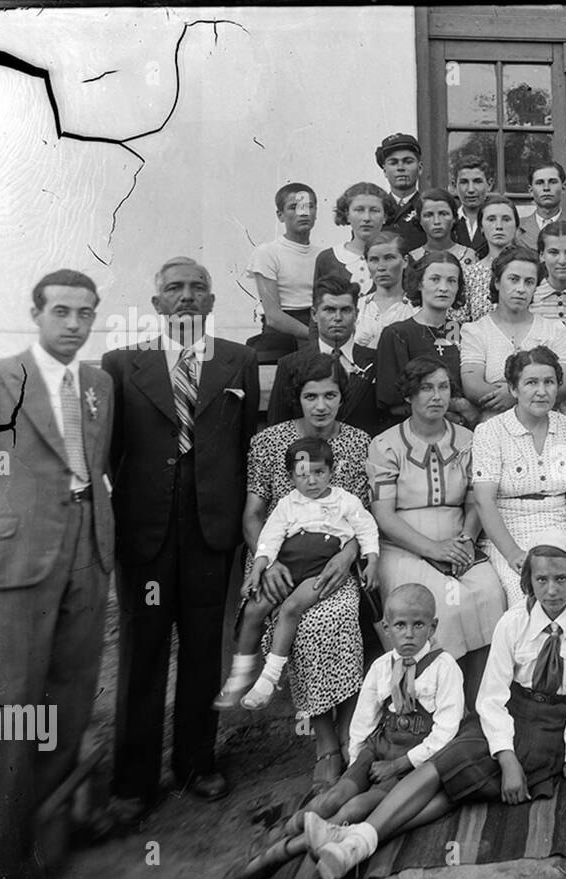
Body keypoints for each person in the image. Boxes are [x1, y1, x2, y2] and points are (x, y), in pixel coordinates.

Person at [306, 532, 566, 879]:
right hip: (506, 715)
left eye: (562, 580)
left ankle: (360, 838)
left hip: (551, 728)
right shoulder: (513, 622)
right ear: (527, 582)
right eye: (541, 579)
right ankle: (358, 841)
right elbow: (492, 697)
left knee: (459, 790)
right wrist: (505, 756)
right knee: (446, 763)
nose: (552, 590)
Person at [0, 270, 114, 879]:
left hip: (87, 551)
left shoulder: (100, 384)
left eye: (85, 313)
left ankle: (35, 848)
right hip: (11, 563)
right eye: (62, 311)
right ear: (36, 313)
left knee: (68, 706)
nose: (74, 323)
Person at [102, 258, 260, 820]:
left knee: (200, 650)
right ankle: (132, 781)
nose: (187, 297)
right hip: (146, 532)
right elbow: (110, 452)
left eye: (198, 288)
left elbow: (244, 449)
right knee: (143, 653)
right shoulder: (123, 364)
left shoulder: (237, 361)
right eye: (175, 289)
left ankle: (197, 763)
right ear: (157, 304)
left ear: (212, 302)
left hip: (210, 533)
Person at [219, 584, 466, 879]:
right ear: (387, 628)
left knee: (357, 806)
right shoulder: (380, 667)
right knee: (333, 798)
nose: (408, 634)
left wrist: (398, 765)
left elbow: (445, 732)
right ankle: (287, 829)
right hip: (378, 750)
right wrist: (357, 764)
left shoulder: (445, 669)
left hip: (410, 764)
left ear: (433, 626)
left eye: (419, 625)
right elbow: (363, 720)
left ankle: (281, 854)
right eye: (400, 625)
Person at [243, 351, 372, 786]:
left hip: (336, 560)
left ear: (342, 396)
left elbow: (363, 516)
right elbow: (253, 513)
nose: (321, 405)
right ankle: (325, 742)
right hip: (279, 560)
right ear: (296, 397)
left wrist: (347, 555)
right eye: (311, 395)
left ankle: (347, 729)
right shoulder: (268, 443)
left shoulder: (357, 443)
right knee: (292, 619)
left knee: (332, 618)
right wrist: (270, 559)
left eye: (331, 395)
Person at [215, 436, 380, 710]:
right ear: (291, 476)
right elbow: (269, 538)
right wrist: (258, 570)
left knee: (291, 608)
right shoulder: (287, 504)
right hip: (288, 569)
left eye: (319, 473)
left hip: (319, 571)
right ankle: (241, 674)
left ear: (332, 471)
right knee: (254, 610)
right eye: (303, 475)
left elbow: (367, 530)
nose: (312, 481)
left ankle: (269, 678)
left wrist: (371, 560)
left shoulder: (345, 501)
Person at [367, 355, 505, 670]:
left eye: (443, 387)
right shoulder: (386, 445)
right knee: (442, 602)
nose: (437, 396)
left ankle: (477, 699)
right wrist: (434, 549)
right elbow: (384, 516)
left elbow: (475, 501)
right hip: (404, 546)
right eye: (426, 388)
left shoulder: (469, 441)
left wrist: (468, 539)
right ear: (409, 396)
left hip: (459, 539)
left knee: (490, 593)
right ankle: (431, 695)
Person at [470, 347, 566, 604]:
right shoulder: (490, 431)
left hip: (560, 527)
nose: (542, 391)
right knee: (525, 596)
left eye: (549, 382)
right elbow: (484, 501)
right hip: (509, 532)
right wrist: (513, 553)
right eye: (531, 382)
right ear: (514, 389)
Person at [461, 246, 566, 421]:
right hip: (494, 429)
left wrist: (513, 395)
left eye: (529, 282)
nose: (521, 289)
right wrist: (533, 393)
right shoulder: (476, 330)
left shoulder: (554, 329)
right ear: (497, 282)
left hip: (546, 429)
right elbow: (472, 386)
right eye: (514, 279)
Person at [269, 276, 387, 437]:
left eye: (345, 310)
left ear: (356, 314)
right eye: (329, 310)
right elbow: (278, 431)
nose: (337, 318)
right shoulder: (290, 364)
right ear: (314, 314)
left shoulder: (377, 361)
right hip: (306, 457)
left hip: (363, 457)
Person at [376, 252, 477, 427]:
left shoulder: (463, 332)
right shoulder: (398, 334)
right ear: (419, 284)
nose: (444, 288)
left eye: (451, 281)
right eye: (435, 279)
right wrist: (453, 409)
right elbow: (391, 402)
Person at [246, 182, 320, 363]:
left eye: (308, 206)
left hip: (316, 327)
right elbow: (274, 317)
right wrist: (316, 337)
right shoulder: (267, 253)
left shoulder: (322, 255)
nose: (303, 213)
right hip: (281, 337)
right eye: (294, 207)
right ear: (280, 215)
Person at [313, 182, 390, 297]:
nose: (366, 218)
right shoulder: (327, 259)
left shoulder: (396, 258)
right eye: (359, 210)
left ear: (385, 217)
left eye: (374, 210)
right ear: (347, 215)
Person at [462, 194, 521, 323]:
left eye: (506, 219)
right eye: (491, 219)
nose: (499, 226)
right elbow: (455, 321)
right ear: (481, 227)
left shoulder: (531, 269)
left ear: (516, 226)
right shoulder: (469, 274)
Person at [354, 231, 415, 349]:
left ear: (405, 261)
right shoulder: (356, 307)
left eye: (389, 258)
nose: (381, 267)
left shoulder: (418, 309)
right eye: (374, 260)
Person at [375, 132, 427, 252]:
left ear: (420, 168)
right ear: (385, 171)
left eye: (408, 162)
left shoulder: (429, 207)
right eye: (393, 163)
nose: (400, 168)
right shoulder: (375, 209)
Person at [516, 160, 566, 248]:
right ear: (531, 190)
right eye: (539, 183)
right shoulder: (517, 228)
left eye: (553, 182)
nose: (546, 188)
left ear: (563, 187)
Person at [407, 188, 478, 268]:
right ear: (420, 220)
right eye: (429, 215)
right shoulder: (413, 258)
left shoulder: (469, 256)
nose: (437, 221)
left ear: (454, 218)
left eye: (443, 214)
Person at [451, 156, 493, 258]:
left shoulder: (499, 221)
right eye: (464, 182)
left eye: (477, 181)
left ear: (490, 184)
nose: (470, 189)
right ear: (454, 185)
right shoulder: (448, 221)